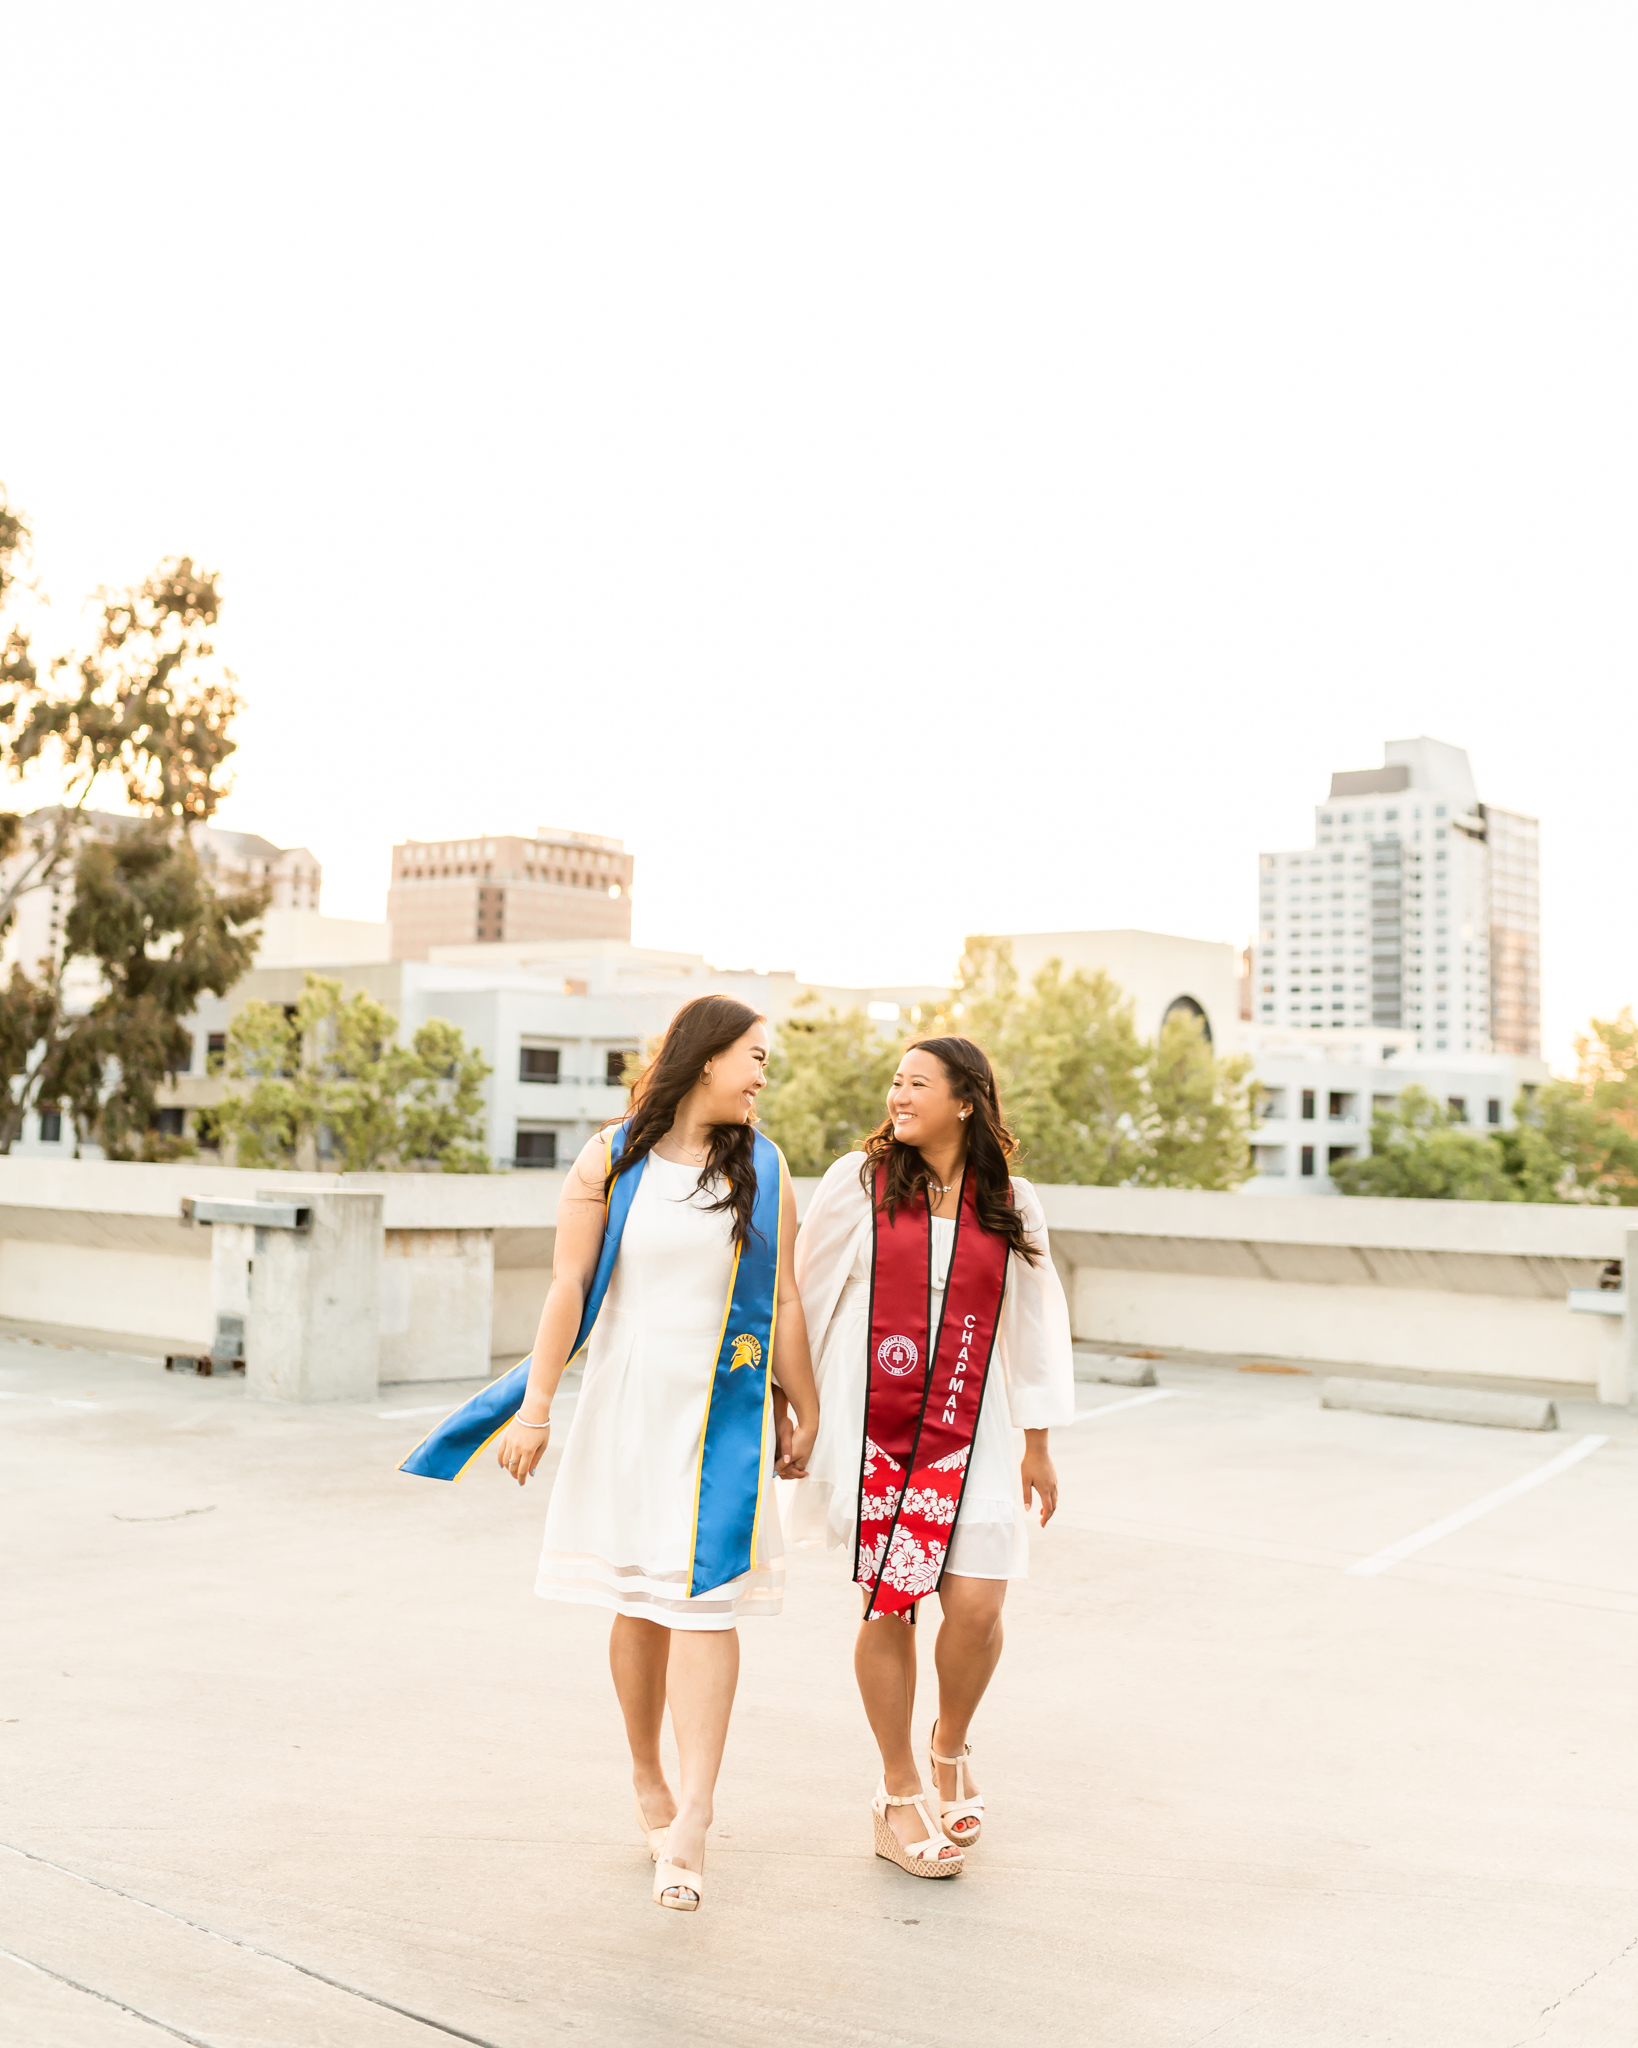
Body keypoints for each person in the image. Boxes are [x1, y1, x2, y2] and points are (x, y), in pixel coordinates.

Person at [402, 995, 818, 1913]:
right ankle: (646, 1776)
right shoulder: (611, 1155)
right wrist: (537, 1408)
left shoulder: (766, 1163)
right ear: (706, 1058)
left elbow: (782, 1300)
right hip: (630, 1406)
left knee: (706, 1607)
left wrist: (806, 1403)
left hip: (723, 1418)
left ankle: (695, 1820)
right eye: (753, 1056)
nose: (762, 1074)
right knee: (640, 1602)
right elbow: (568, 1287)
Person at [789, 1036, 1074, 1879]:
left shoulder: (1009, 1201)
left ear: (964, 1101)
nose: (897, 1094)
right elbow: (804, 1294)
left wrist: (1039, 1441)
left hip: (972, 1423)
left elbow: (1032, 1320)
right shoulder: (861, 1181)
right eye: (895, 1081)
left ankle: (950, 1743)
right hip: (874, 1417)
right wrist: (794, 1409)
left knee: (979, 1603)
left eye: (918, 1083)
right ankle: (900, 1788)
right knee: (892, 1604)